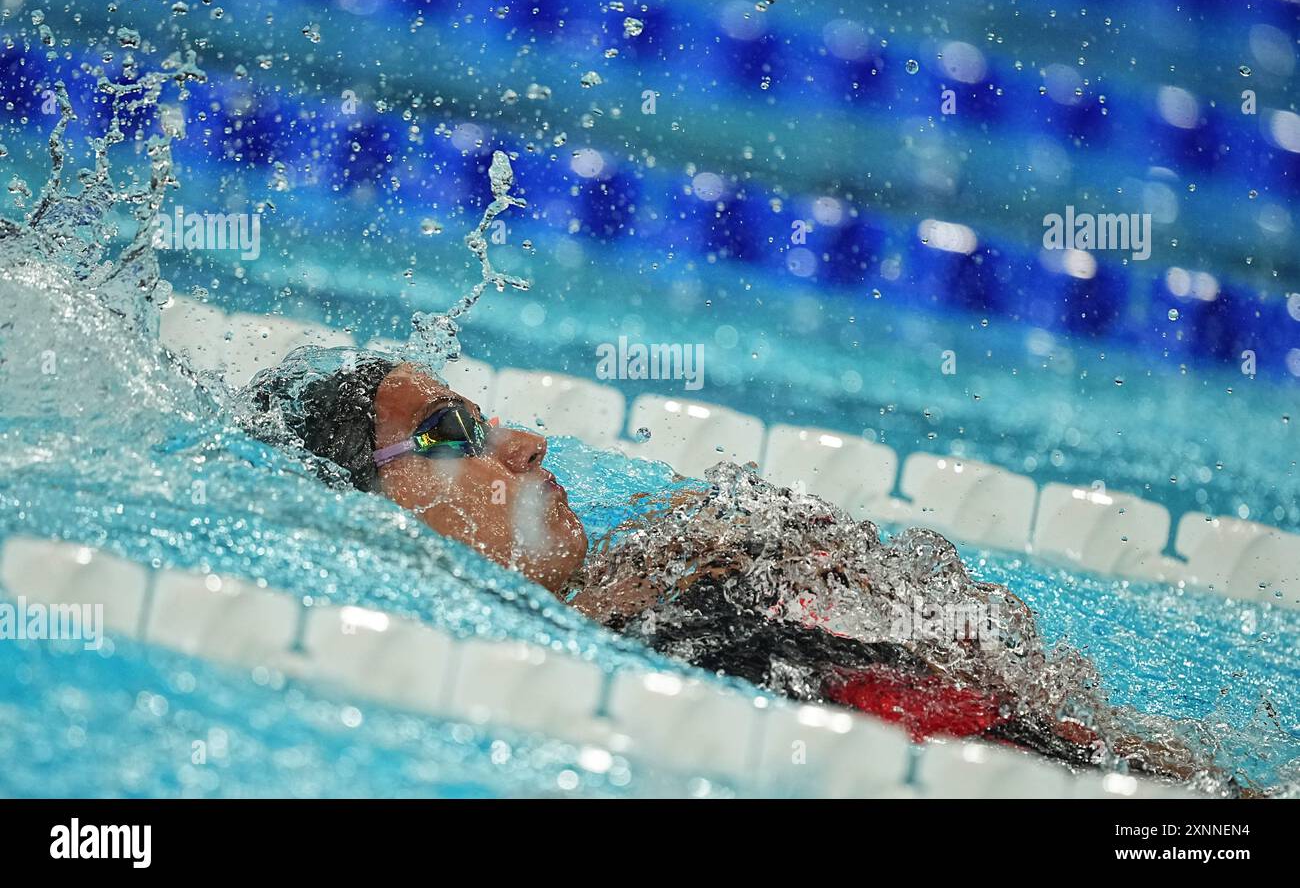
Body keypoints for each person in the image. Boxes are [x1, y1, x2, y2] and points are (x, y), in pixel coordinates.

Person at [240, 349, 1240, 792]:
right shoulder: (603, 674)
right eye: (452, 431)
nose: (529, 440)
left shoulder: (658, 587)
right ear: (366, 520)